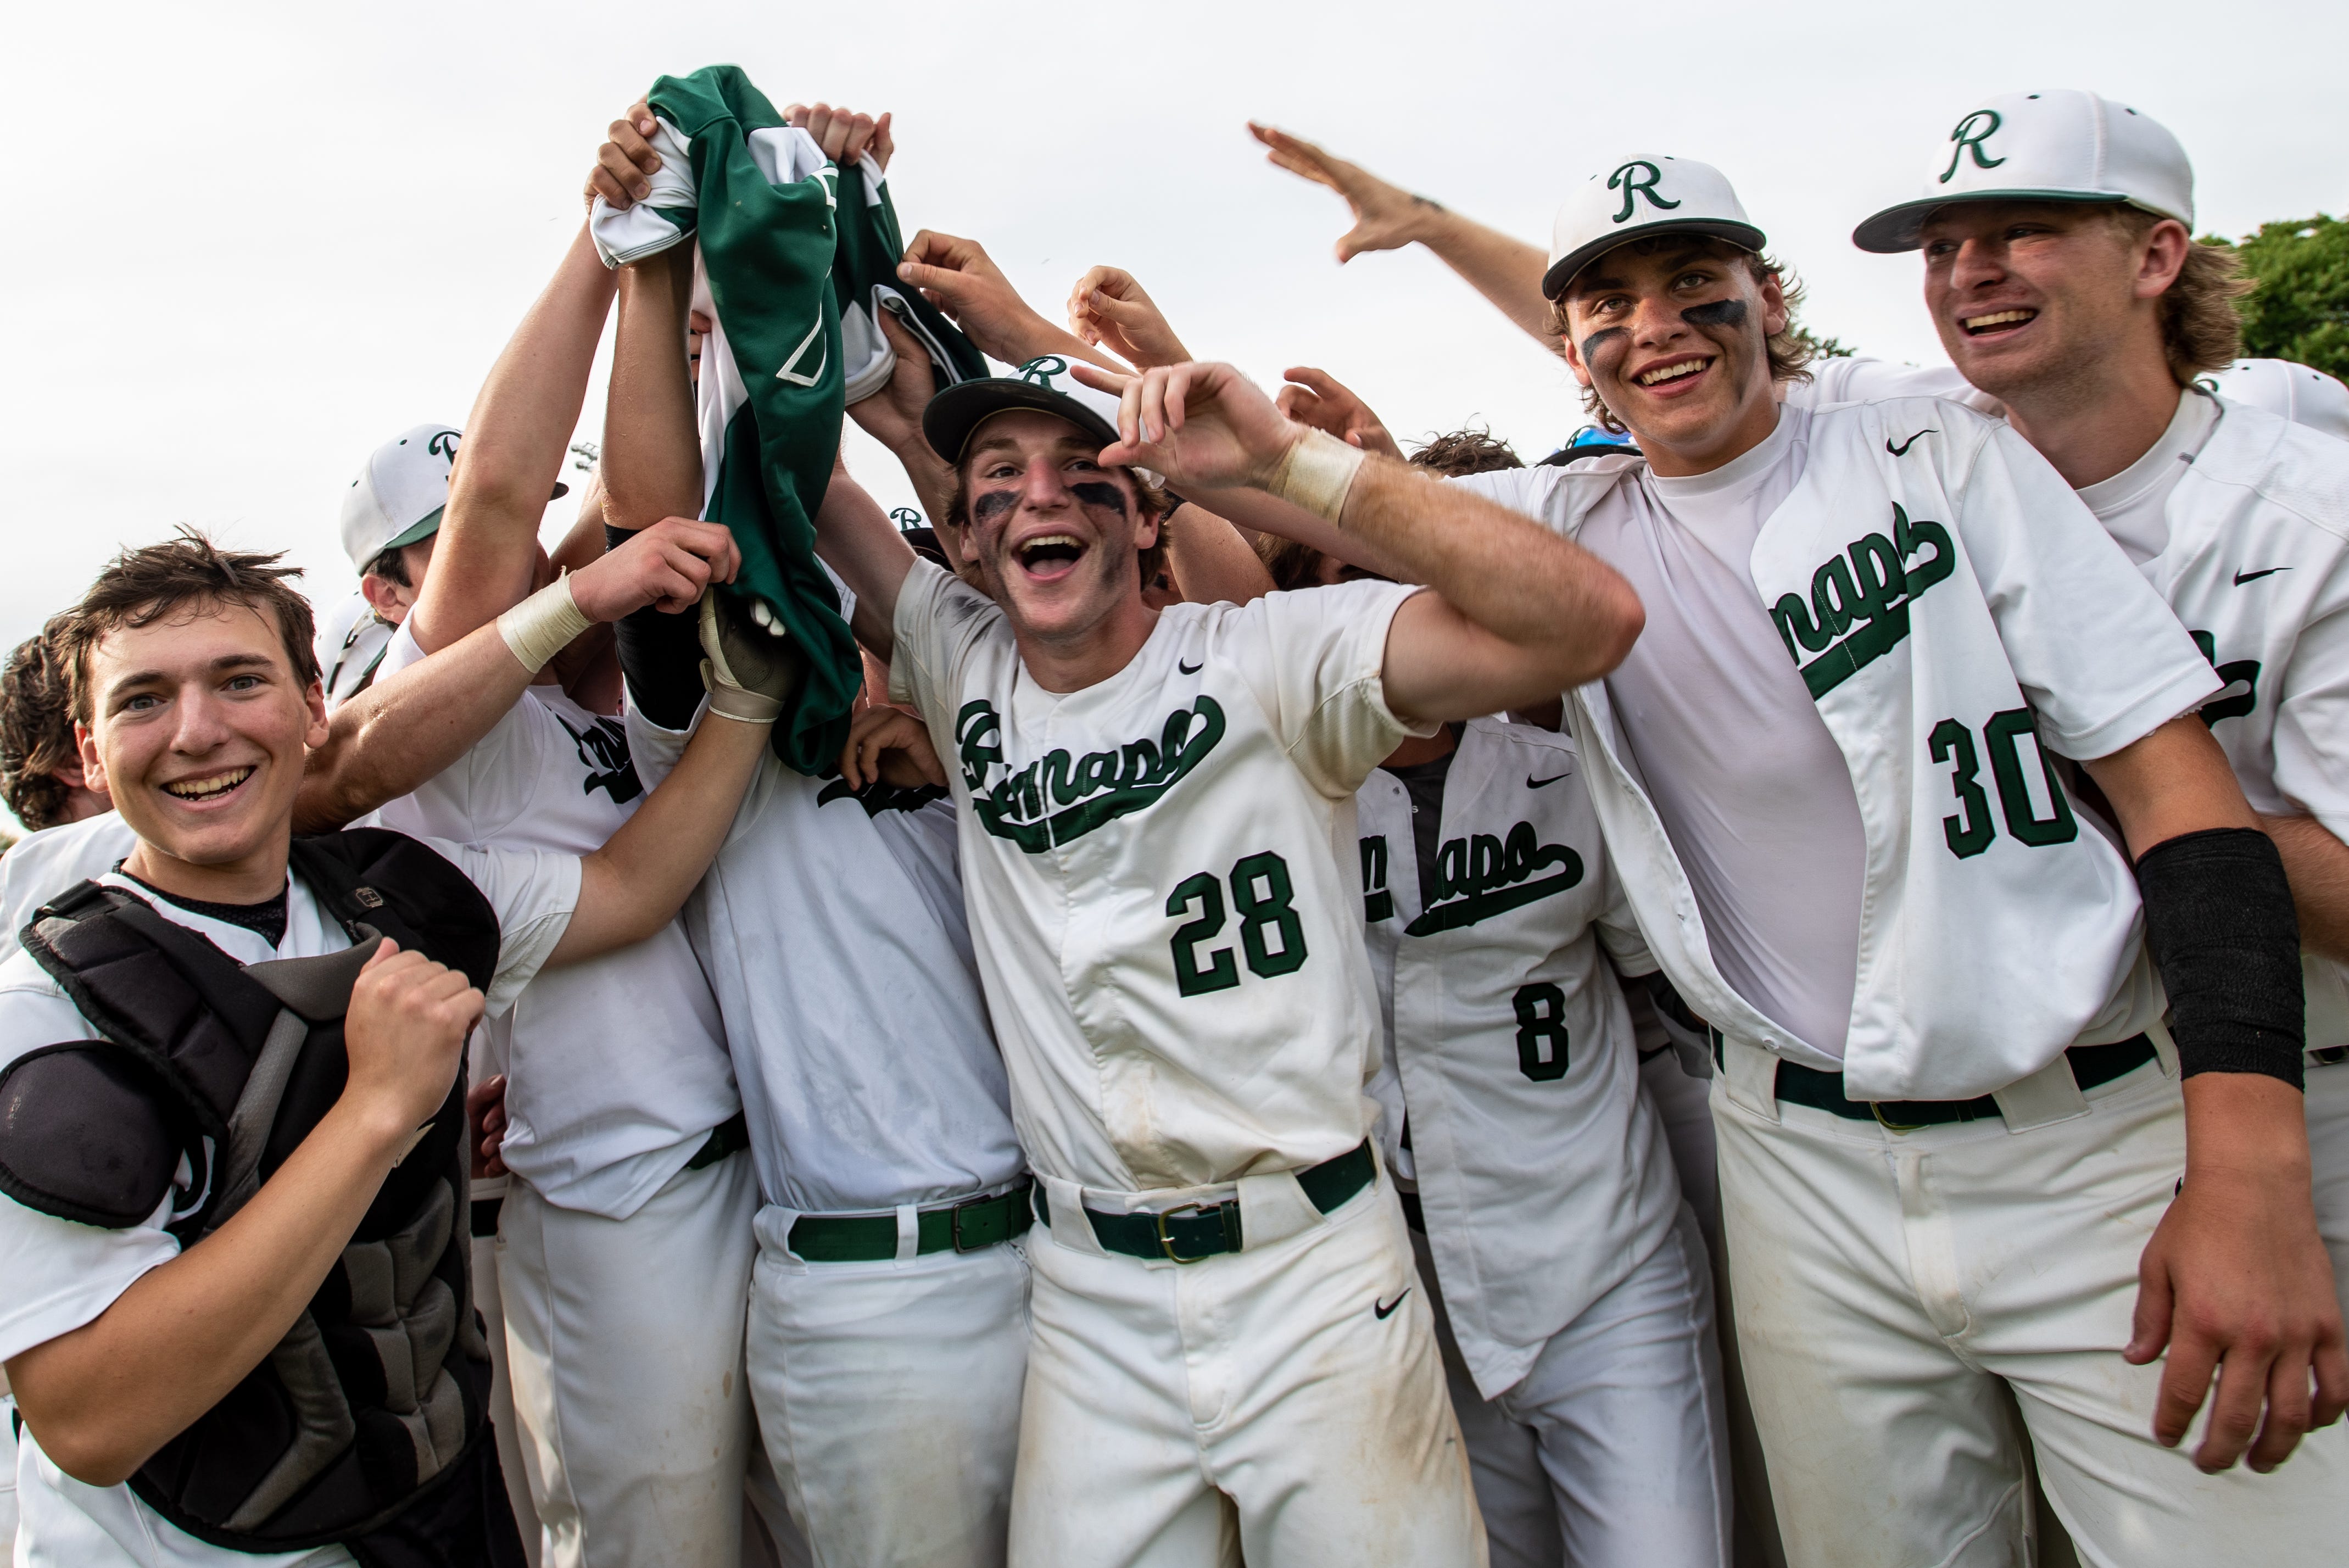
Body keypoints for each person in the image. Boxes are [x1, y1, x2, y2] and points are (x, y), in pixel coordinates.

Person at [1225, 149, 2348, 1565]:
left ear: (1771, 298)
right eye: (1610, 306)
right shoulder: (1569, 522)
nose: (1662, 327)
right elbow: (1308, 501)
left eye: (1703, 285)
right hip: (1798, 1161)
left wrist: (2250, 1179)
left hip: (2085, 1135)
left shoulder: (1935, 440)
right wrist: (1079, 359)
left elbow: (2188, 813)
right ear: (1572, 350)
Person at [815, 210, 1643, 1559]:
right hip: (1091, 1300)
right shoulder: (958, 659)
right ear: (963, 540)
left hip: (1313, 1272)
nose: (1041, 496)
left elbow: (1587, 621)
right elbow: (822, 447)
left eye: (1084, 469)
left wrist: (1292, 465)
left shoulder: (1273, 656)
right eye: (1000, 477)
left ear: (1149, 507)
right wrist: (774, 233)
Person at [0, 529, 784, 1568]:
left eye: (240, 681)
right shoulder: (45, 1009)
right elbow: (93, 1422)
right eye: (143, 699)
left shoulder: (396, 896)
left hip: (425, 1518)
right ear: (90, 752)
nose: (197, 732)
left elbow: (631, 891)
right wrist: (374, 1111)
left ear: (315, 707)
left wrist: (747, 704)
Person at [590, 102, 1032, 1566]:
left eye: (754, 335)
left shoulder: (985, 657)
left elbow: (1014, 503)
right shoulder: (726, 696)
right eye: (712, 345)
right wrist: (656, 263)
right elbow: (664, 520)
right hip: (864, 1308)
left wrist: (831, 230)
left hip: (1085, 1265)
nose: (738, 368)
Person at [1854, 89, 2349, 1326]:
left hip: (2311, 1096)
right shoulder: (1919, 451)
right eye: (1942, 249)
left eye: (2020, 231)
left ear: (2157, 254)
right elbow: (1697, 362)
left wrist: (2123, 771)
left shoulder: (2309, 514)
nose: (1971, 273)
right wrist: (1428, 224)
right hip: (2046, 1119)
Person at [347, 208, 767, 1568]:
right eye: (447, 547)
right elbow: (500, 512)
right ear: (382, 585)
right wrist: (603, 246)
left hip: (747, 1184)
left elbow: (636, 511)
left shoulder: (575, 688)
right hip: (612, 1214)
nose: (514, 554)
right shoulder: (432, 728)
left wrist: (697, 321)